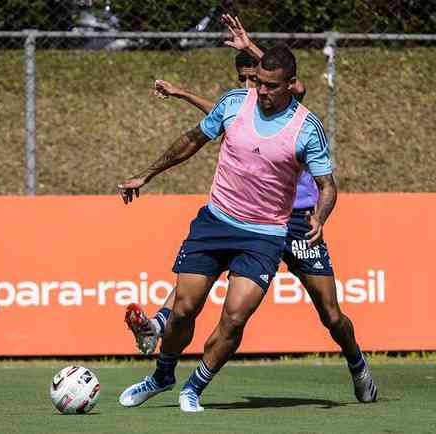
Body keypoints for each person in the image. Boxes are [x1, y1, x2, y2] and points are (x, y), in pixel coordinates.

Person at [124, 14, 378, 405]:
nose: (257, 90)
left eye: (265, 83)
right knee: (188, 300)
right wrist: (147, 172)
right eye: (253, 81)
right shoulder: (241, 102)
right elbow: (207, 127)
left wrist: (320, 217)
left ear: (290, 87)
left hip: (296, 222)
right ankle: (164, 349)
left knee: (330, 315)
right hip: (231, 218)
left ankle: (357, 363)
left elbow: (328, 182)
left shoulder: (304, 124)